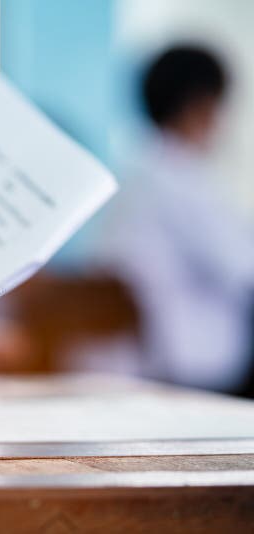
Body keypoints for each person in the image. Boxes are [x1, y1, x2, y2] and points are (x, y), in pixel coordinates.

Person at [91, 46, 254, 392]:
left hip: (151, 360)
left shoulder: (140, 170)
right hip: (187, 369)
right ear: (201, 106)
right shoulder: (181, 177)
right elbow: (242, 267)